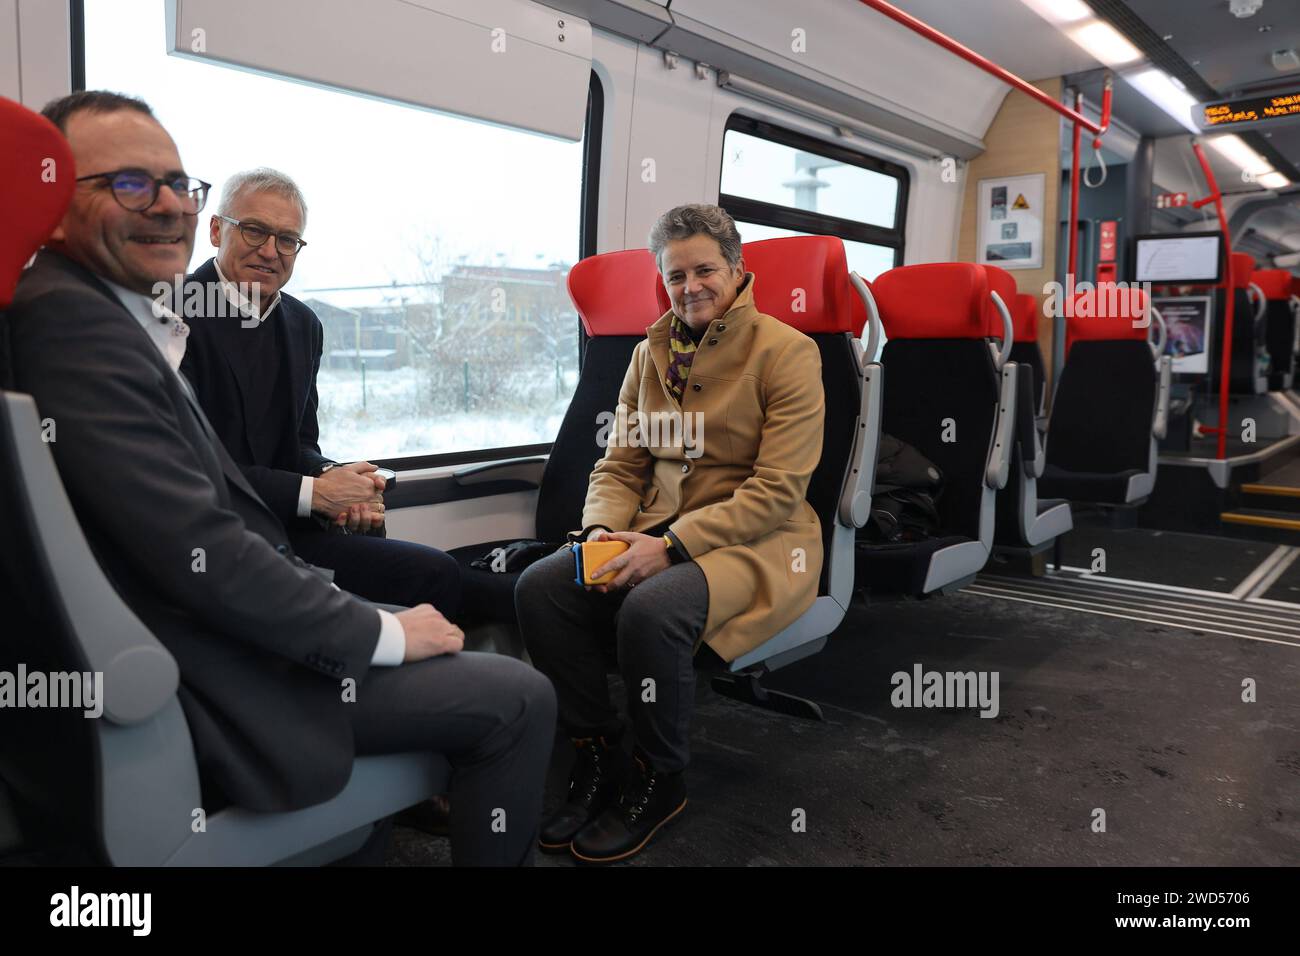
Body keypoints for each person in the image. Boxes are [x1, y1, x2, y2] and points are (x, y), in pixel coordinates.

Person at [5, 90, 554, 865]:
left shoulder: (207, 320)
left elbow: (290, 449)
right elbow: (200, 543)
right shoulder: (85, 326)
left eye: (177, 185)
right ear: (55, 203)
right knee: (520, 695)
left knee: (426, 582)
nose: (167, 204)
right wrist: (374, 630)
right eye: (129, 183)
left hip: (234, 598)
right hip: (208, 664)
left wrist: (339, 483)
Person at [514, 203, 825, 863]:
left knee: (653, 608)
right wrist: (602, 531)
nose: (691, 286)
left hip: (758, 541)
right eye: (676, 275)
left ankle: (660, 774)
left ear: (737, 270)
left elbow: (777, 490)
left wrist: (672, 546)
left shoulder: (788, 352)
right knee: (541, 586)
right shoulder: (648, 355)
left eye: (704, 270)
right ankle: (596, 748)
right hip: (651, 529)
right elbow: (620, 464)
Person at [177, 168, 461, 616]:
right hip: (214, 539)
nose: (270, 251)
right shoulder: (173, 313)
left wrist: (338, 479)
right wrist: (313, 493)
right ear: (216, 231)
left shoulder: (303, 324)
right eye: (254, 230)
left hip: (289, 531)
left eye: (287, 239)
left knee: (437, 573)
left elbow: (300, 445)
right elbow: (191, 466)